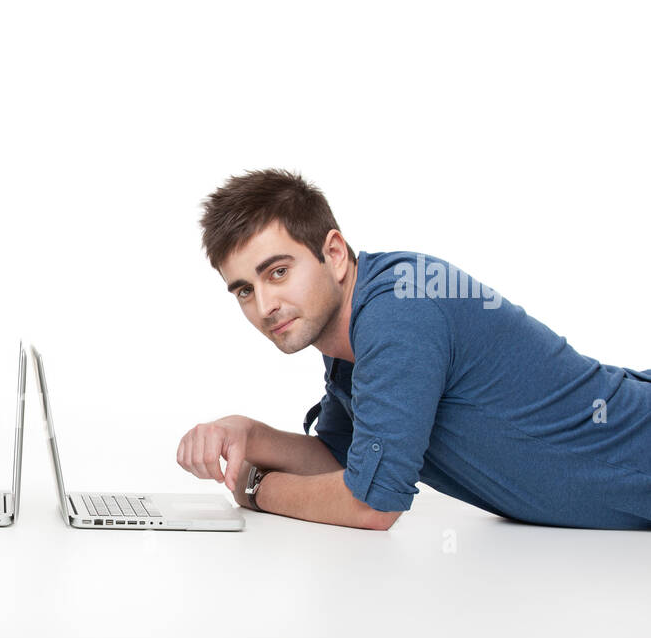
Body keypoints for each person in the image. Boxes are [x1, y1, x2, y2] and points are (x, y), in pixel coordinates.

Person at [176, 168, 651, 531]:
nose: (264, 305)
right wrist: (249, 436)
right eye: (243, 290)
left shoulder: (399, 312)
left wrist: (257, 487)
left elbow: (372, 502)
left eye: (278, 271)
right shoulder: (351, 335)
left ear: (335, 254)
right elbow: (346, 460)